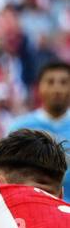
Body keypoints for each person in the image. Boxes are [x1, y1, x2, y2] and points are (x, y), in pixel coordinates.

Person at [8, 60, 70, 200]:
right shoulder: (20, 128)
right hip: (32, 207)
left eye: (64, 82)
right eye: (50, 82)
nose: (57, 89)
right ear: (39, 88)